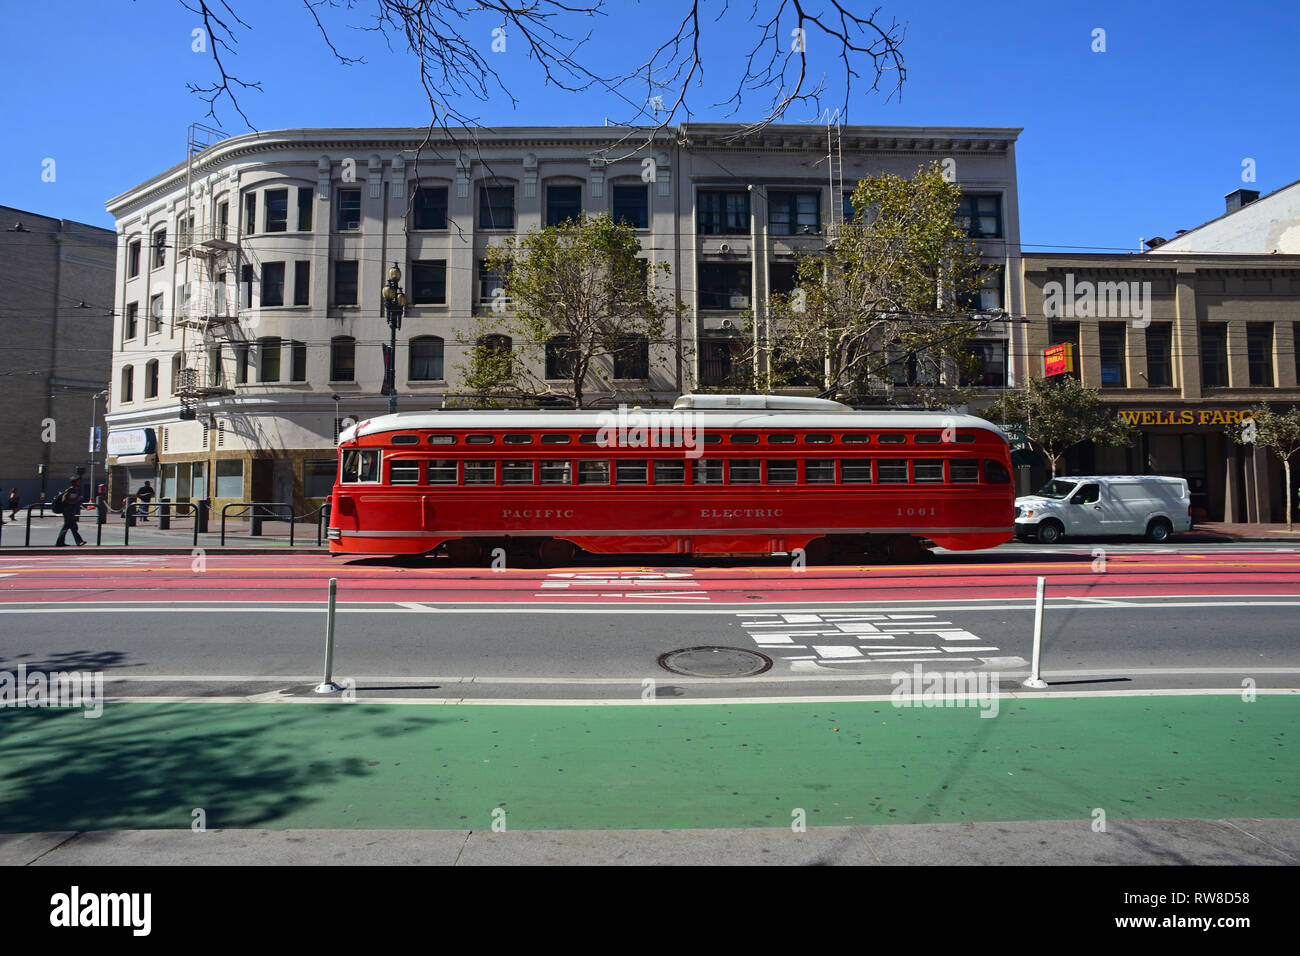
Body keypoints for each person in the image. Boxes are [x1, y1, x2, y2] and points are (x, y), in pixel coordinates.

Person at [55, 476, 87, 547]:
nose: (80, 483)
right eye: (78, 481)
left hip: (68, 510)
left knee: (69, 526)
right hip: (68, 511)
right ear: (74, 482)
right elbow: (68, 500)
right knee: (72, 526)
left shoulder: (73, 489)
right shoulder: (72, 490)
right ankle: (79, 541)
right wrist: (78, 499)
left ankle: (60, 542)